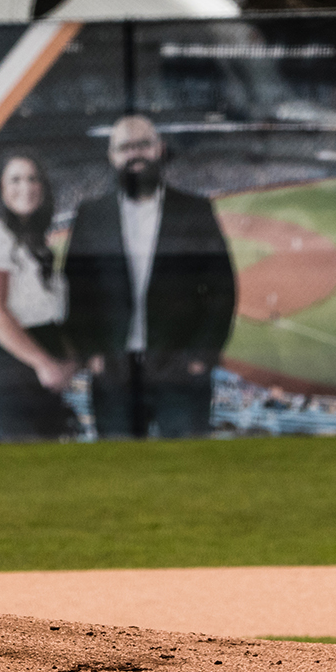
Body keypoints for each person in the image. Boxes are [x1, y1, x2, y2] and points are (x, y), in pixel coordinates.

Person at [63, 116, 236, 439]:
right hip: (113, 372)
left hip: (181, 370)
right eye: (125, 147)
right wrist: (90, 354)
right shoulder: (91, 214)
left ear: (159, 149)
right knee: (121, 466)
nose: (135, 154)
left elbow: (222, 287)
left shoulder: (195, 210)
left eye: (143, 144)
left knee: (185, 465)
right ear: (112, 156)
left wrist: (201, 357)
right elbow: (74, 288)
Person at [0, 152, 77, 440]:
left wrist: (67, 359)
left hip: (45, 362)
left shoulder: (34, 239)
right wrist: (44, 363)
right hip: (13, 364)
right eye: (16, 179)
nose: (26, 187)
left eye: (33, 179)